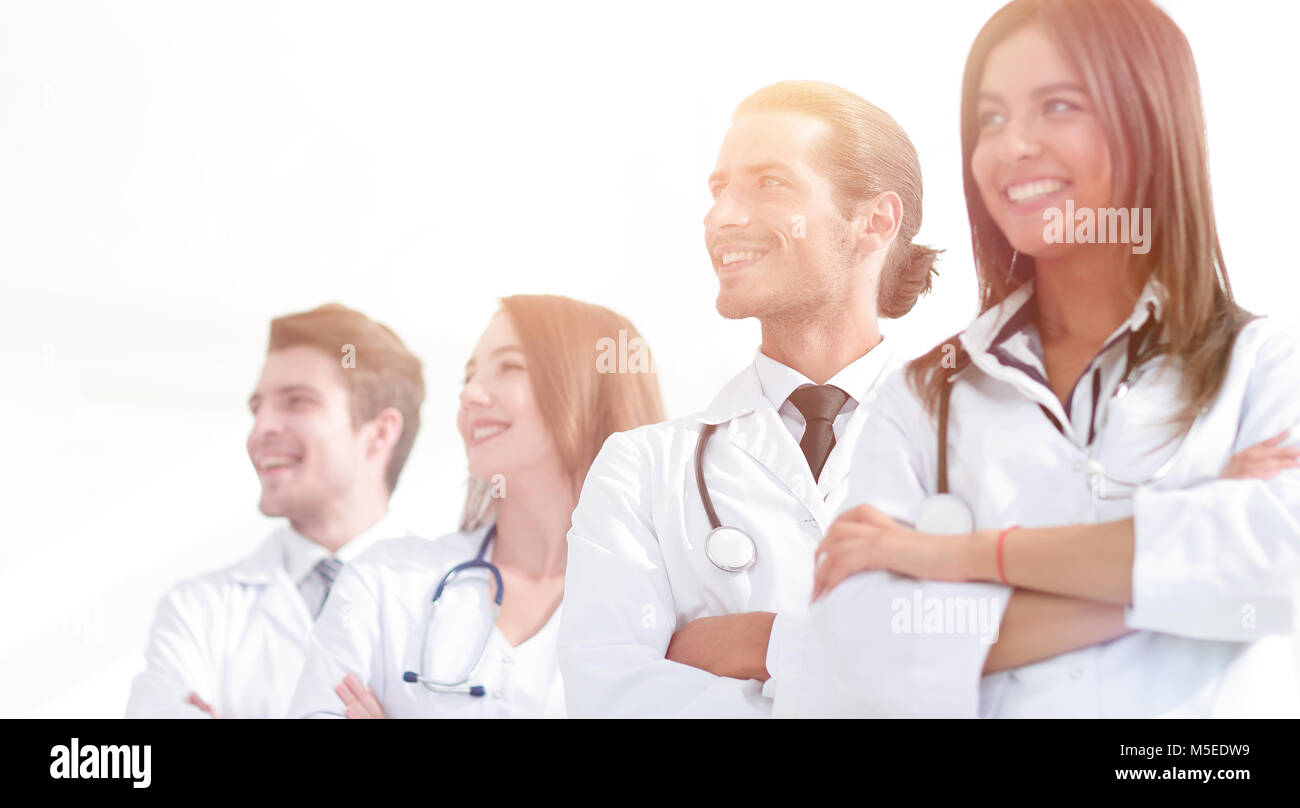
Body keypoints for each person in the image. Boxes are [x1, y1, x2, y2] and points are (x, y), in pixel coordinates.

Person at [772, 0, 1300, 717]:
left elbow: (1277, 569)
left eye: (1057, 106)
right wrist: (1177, 548)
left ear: (1149, 121)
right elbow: (864, 655)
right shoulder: (925, 396)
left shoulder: (1269, 366)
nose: (1012, 146)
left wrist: (954, 557)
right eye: (990, 119)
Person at [557, 81, 941, 716]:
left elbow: (1015, 681)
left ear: (874, 222)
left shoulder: (985, 444)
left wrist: (766, 644)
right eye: (718, 189)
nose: (720, 217)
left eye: (770, 184)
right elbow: (611, 700)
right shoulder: (642, 469)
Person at [286, 295, 665, 718]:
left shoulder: (666, 602)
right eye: (469, 375)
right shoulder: (384, 584)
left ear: (590, 390)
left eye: (510, 367)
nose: (469, 394)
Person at [126, 304, 425, 718]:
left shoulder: (456, 602)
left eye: (298, 402)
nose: (260, 429)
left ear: (380, 433)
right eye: (257, 408)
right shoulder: (198, 611)